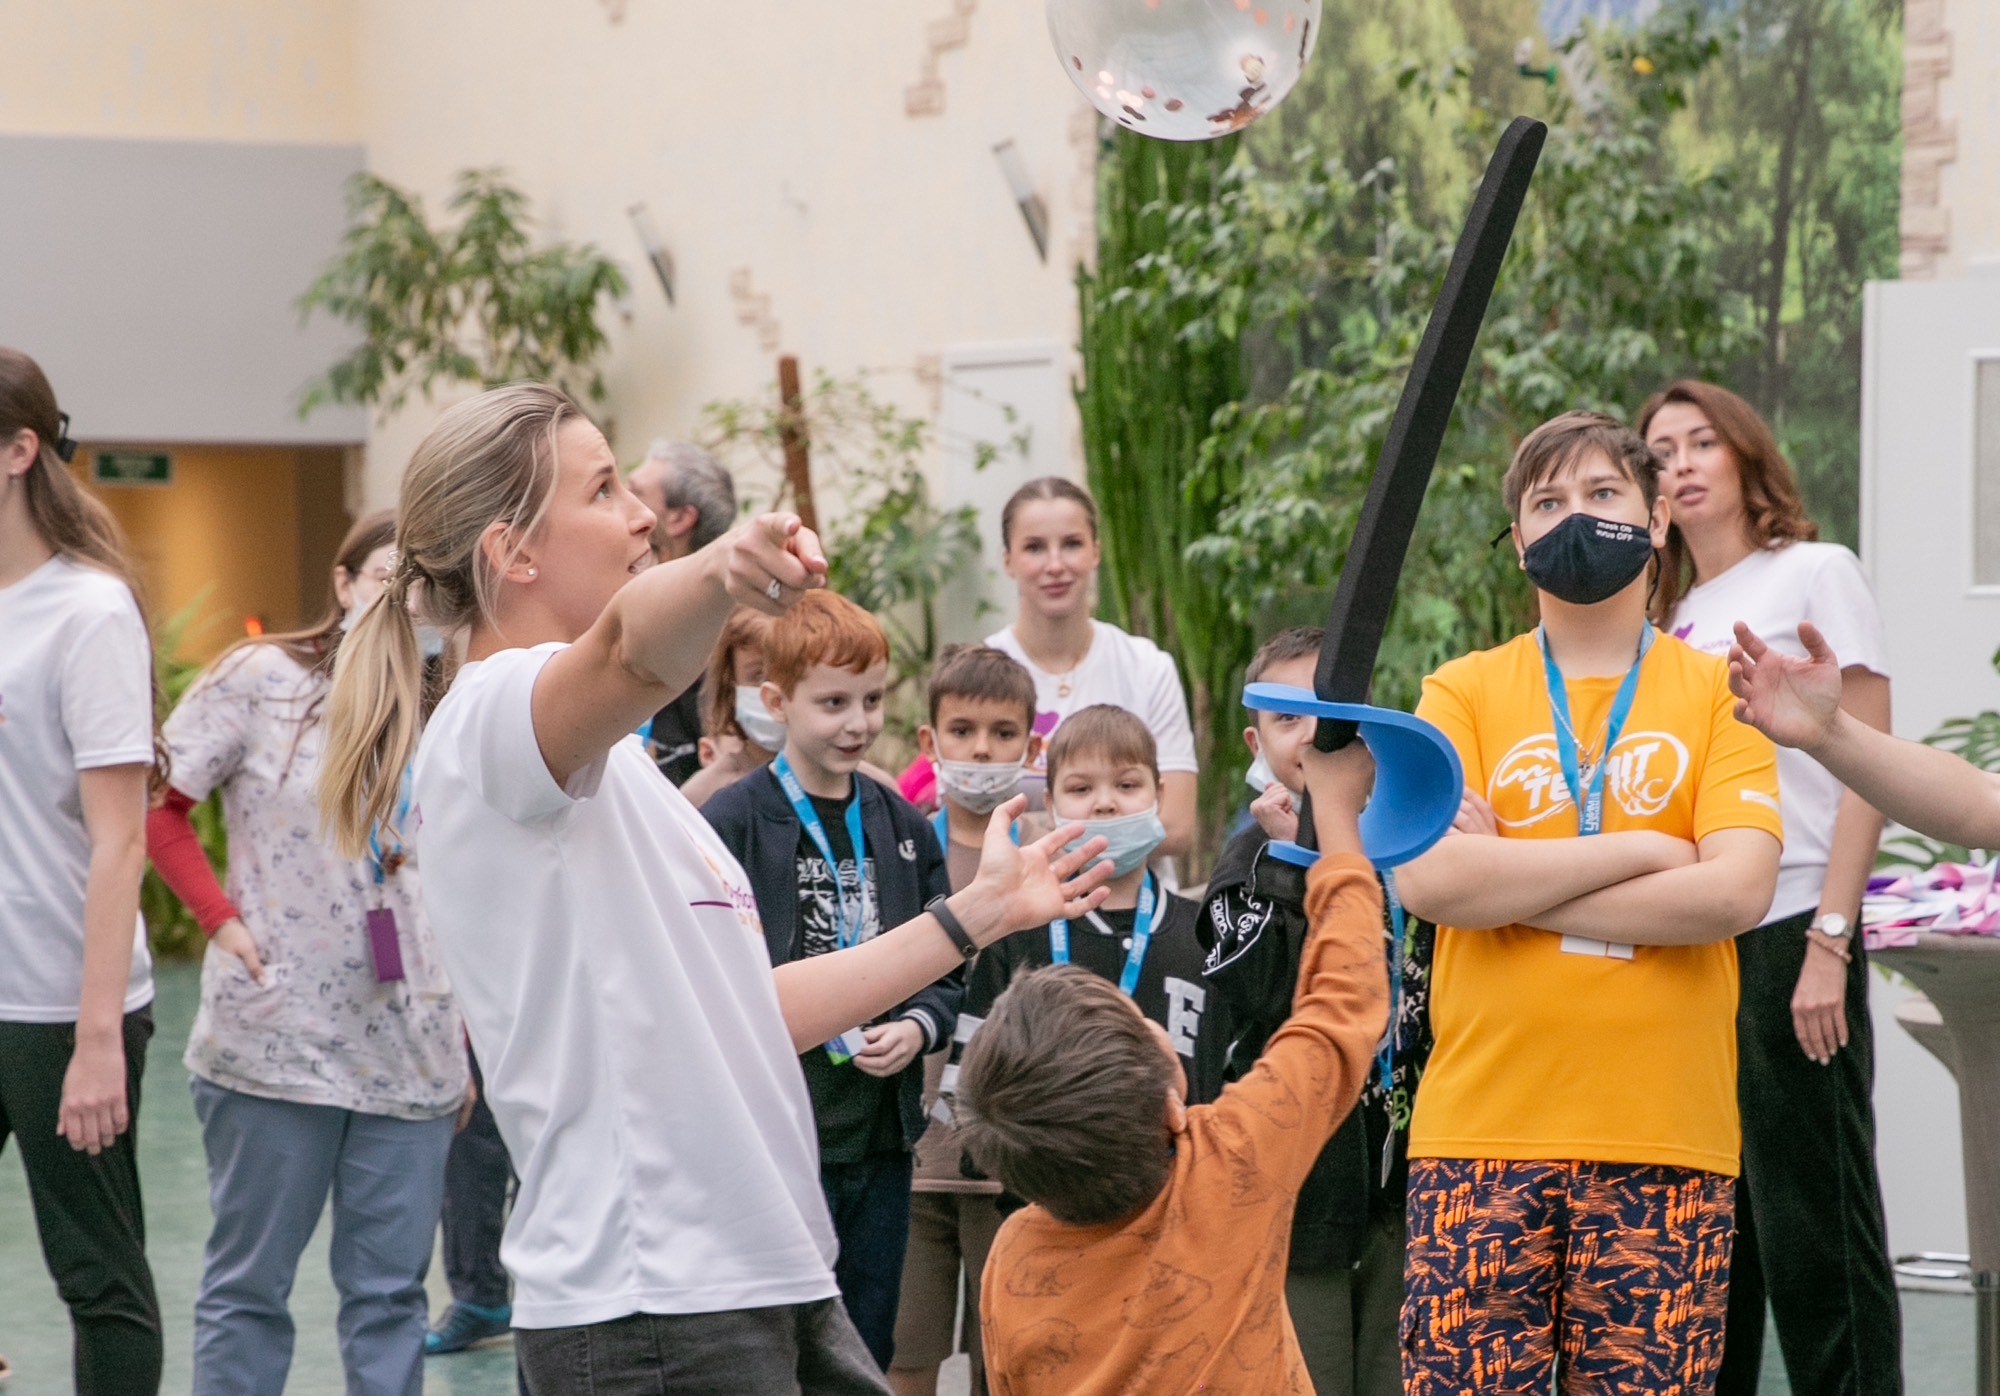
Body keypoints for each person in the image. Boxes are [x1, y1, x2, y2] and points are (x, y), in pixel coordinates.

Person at [318, 383, 1114, 1394]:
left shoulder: (612, 780)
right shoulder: (491, 723)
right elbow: (625, 647)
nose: (641, 513)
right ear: (512, 552)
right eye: (604, 489)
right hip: (651, 1301)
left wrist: (977, 912)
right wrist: (728, 568)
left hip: (753, 1279)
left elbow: (749, 1012)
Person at [1394, 410, 1784, 1396]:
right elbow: (1429, 880)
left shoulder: (1717, 694)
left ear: (1655, 519)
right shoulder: (1459, 692)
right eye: (1546, 502)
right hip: (1476, 1139)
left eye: (1601, 495)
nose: (1574, 517)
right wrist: (1648, 851)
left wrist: (1509, 887)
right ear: (1517, 538)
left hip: (1664, 1138)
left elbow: (1734, 889)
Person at [145, 508, 468, 1396]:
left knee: (391, 1297)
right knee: (250, 1290)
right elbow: (157, 805)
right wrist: (222, 921)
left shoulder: (455, 709)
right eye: (384, 582)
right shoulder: (262, 682)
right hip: (275, 1035)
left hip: (413, 1047)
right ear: (341, 582)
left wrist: (469, 1026)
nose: (403, 607)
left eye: (424, 593)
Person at [956, 732, 1385, 1394]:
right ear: (1169, 1105)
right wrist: (1338, 823)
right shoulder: (1230, 1160)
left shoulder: (1013, 1256)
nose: (1154, 1020)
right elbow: (1341, 1013)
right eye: (1146, 1029)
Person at [1642, 380, 1901, 1396]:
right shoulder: (1669, 618)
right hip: (1700, 936)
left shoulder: (1811, 572)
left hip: (1796, 925)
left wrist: (1829, 941)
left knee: (1817, 1229)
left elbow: (1868, 763)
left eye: (1702, 440)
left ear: (1748, 456)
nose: (1681, 463)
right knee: (1720, 1233)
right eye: (1659, 451)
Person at [703, 590, 959, 1370]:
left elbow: (948, 964)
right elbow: (707, 971)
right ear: (776, 701)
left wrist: (919, 1027)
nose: (857, 722)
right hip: (778, 1130)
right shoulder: (734, 821)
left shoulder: (903, 828)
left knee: (867, 1339)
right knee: (774, 1341)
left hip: (878, 1136)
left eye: (873, 700)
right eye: (833, 703)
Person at [1199, 625, 1429, 1396]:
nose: (1308, 739)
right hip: (1301, 1204)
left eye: (1328, 716)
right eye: (1286, 719)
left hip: (1406, 1186)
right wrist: (1301, 863)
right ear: (1254, 739)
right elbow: (1261, 987)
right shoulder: (1249, 863)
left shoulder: (1409, 846)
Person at [0, 346, 164, 1395]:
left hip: (64, 1004)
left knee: (98, 1278)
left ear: (18, 451)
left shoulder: (88, 613)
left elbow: (121, 838)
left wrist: (97, 1040)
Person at [948, 705, 1230, 1113]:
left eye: (1127, 785)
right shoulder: (1016, 933)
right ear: (1051, 804)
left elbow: (1239, 1088)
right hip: (1042, 1175)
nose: (1105, 804)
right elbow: (968, 1096)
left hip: (1187, 1172)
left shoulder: (1207, 935)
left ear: (1160, 795)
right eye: (1081, 790)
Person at [888, 645, 1040, 1396]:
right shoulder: (903, 845)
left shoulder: (1048, 855)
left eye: (1003, 733)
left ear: (1032, 746)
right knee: (903, 1351)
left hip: (1010, 1158)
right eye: (964, 730)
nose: (982, 749)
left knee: (1005, 1357)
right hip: (914, 1154)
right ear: (931, 743)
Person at [982, 478, 1198, 860]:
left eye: (1072, 544)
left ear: (1096, 552)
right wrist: (1126, 826)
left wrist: (1037, 828)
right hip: (1021, 909)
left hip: (1139, 910)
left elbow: (1178, 827)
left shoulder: (1148, 667)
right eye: (1034, 547)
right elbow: (965, 823)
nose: (1055, 564)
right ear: (1008, 561)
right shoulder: (981, 673)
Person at [627, 441, 737, 785]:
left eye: (635, 492)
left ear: (679, 518)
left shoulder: (728, 632)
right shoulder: (614, 598)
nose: (620, 502)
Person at [679, 606, 780, 809]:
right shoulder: (700, 797)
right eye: (758, 677)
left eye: (787, 673)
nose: (773, 691)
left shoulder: (858, 783)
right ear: (731, 687)